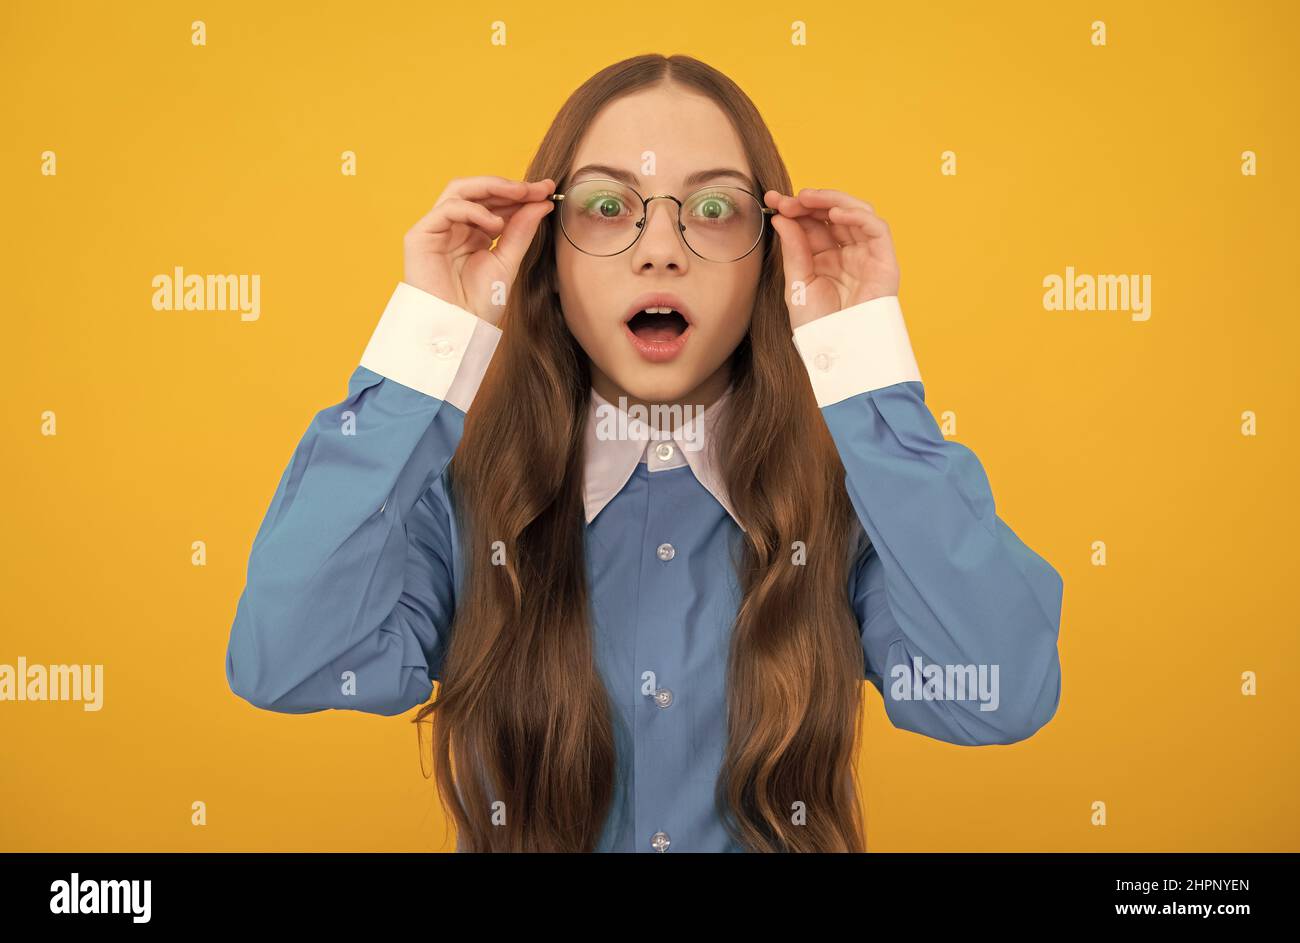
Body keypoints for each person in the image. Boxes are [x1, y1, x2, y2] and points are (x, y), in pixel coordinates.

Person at [225, 53, 1063, 853]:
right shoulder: (459, 503)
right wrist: (427, 344)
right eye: (607, 207)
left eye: (710, 210)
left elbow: (998, 691)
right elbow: (288, 659)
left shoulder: (850, 505)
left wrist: (867, 366)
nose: (660, 249)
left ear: (770, 263)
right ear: (548, 261)